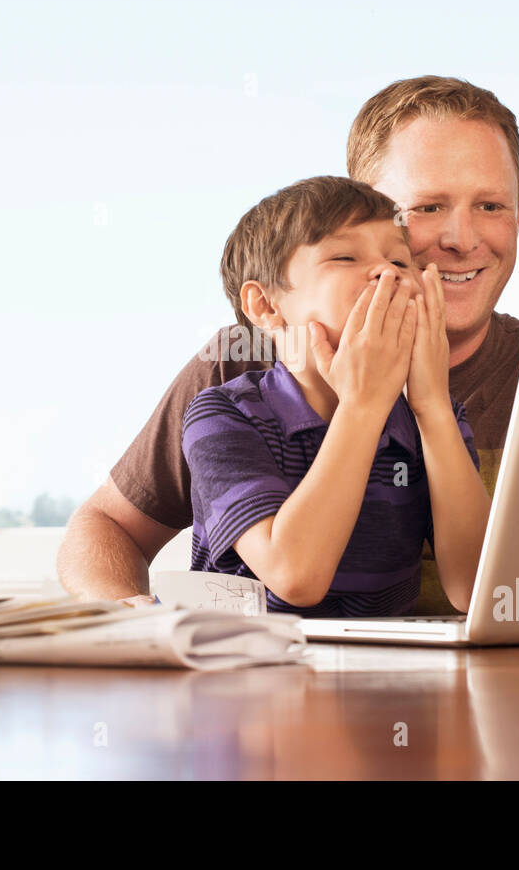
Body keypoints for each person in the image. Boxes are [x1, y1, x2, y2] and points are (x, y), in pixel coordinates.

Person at [58, 75, 519, 611]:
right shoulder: (236, 373)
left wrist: (430, 409)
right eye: (426, 208)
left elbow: (484, 589)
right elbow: (108, 527)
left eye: (490, 205)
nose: (461, 239)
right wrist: (123, 615)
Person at [183, 176, 489, 615]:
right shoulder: (225, 415)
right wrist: (362, 406)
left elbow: (478, 591)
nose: (386, 272)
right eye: (345, 256)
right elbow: (296, 577)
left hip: (381, 672)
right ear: (266, 306)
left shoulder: (431, 421)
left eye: (401, 263)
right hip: (247, 669)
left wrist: (433, 407)